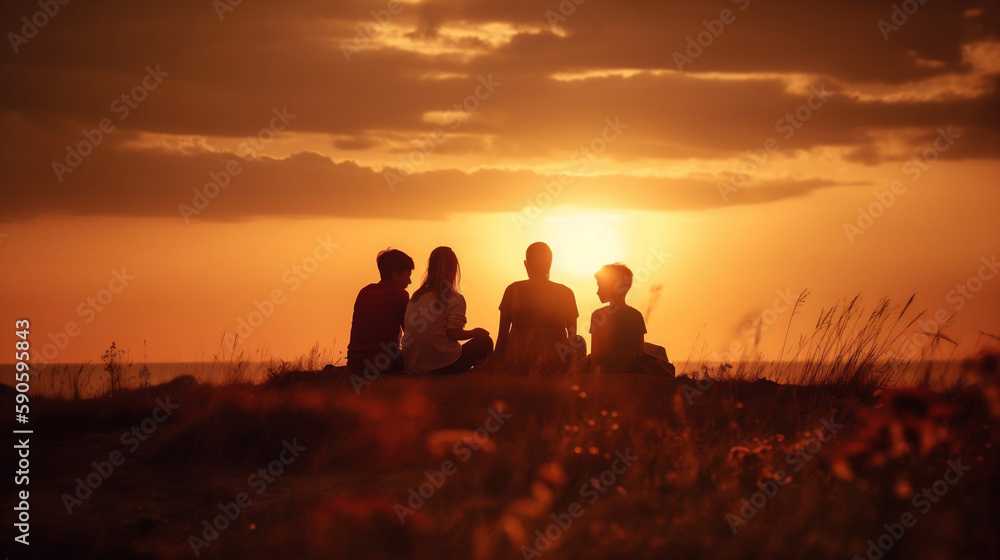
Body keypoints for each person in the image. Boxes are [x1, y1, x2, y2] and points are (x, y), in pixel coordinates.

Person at [495, 242, 585, 372]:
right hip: (554, 363)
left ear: (526, 264)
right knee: (579, 340)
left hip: (519, 361)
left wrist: (498, 362)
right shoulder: (566, 293)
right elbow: (572, 337)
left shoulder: (513, 290)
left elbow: (502, 336)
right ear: (550, 264)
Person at [402, 247, 493, 375]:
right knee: (485, 342)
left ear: (430, 268)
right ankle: (476, 376)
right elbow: (453, 333)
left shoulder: (416, 297)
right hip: (443, 366)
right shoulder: (455, 298)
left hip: (414, 366)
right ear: (454, 270)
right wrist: (474, 332)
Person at [587, 263, 674, 376]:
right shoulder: (636, 315)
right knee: (659, 351)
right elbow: (640, 352)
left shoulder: (597, 315)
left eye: (600, 286)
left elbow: (595, 355)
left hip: (605, 370)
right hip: (628, 368)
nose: (597, 291)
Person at [345, 248, 414, 375]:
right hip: (383, 364)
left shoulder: (364, 292)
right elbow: (409, 332)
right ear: (395, 275)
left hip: (355, 363)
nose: (410, 281)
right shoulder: (400, 295)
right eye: (408, 276)